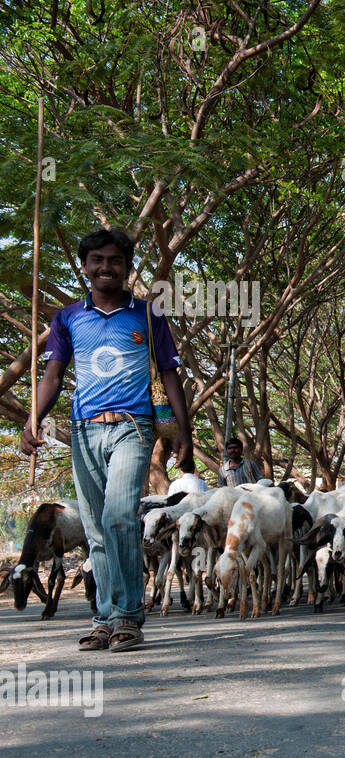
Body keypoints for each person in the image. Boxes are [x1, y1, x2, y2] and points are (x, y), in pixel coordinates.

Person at [20, 228, 192, 652]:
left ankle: (129, 616)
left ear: (127, 267)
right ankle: (104, 618)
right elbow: (54, 375)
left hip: (133, 428)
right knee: (97, 530)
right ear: (85, 267)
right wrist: (33, 418)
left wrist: (183, 430)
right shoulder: (67, 318)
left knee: (118, 517)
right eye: (96, 260)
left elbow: (169, 371)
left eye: (114, 260)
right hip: (83, 431)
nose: (105, 267)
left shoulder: (148, 315)